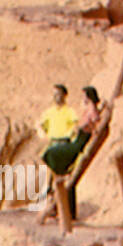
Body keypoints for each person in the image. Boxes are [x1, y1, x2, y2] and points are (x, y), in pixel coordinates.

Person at [40, 85, 101, 220]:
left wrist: (91, 130)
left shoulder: (92, 111)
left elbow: (96, 125)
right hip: (76, 141)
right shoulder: (87, 110)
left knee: (52, 154)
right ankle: (59, 205)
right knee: (52, 156)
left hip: (78, 144)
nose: (82, 98)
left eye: (84, 95)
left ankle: (58, 206)